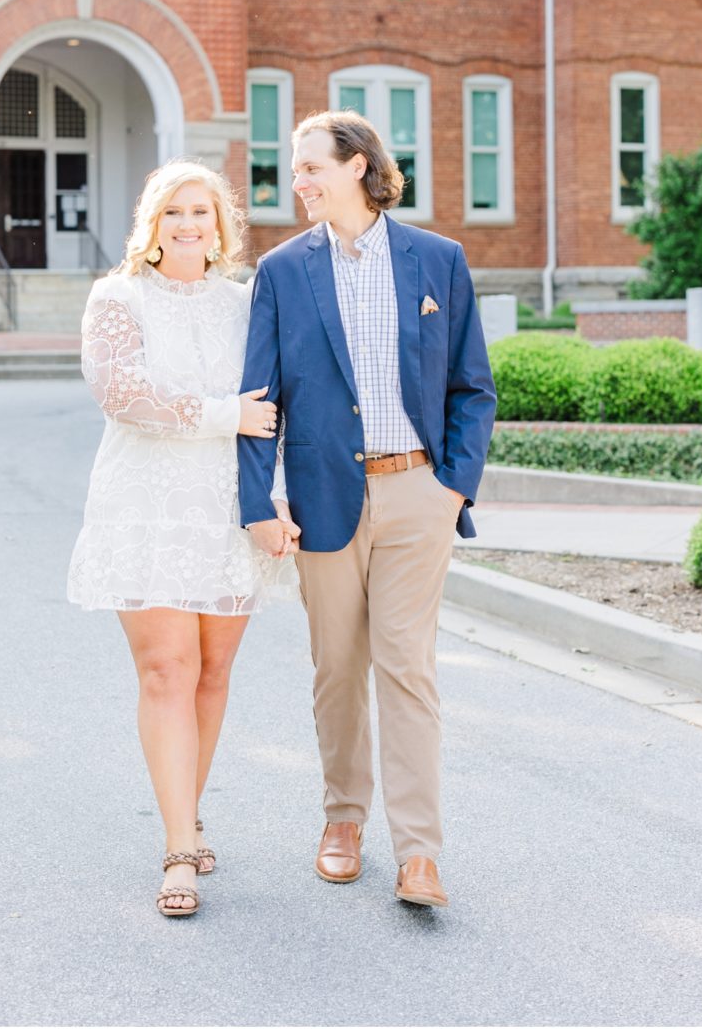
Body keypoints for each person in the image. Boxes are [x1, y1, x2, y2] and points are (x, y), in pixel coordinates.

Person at [238, 110, 496, 909]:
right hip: (320, 501)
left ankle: (419, 852)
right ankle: (342, 821)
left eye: (311, 165)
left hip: (418, 492)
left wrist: (450, 485)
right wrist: (257, 503)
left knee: (407, 671)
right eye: (294, 168)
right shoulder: (282, 271)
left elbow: (471, 386)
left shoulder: (437, 260)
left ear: (357, 166)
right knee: (336, 671)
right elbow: (258, 398)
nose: (298, 182)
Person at [67, 159, 298, 918]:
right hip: (146, 504)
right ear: (152, 224)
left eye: (201, 211)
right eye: (174, 212)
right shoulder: (117, 297)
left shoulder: (245, 303)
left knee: (211, 672)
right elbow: (122, 394)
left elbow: (280, 404)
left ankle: (187, 813)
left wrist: (278, 498)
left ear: (222, 224)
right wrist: (221, 415)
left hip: (228, 507)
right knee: (167, 670)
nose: (189, 224)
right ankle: (177, 851)